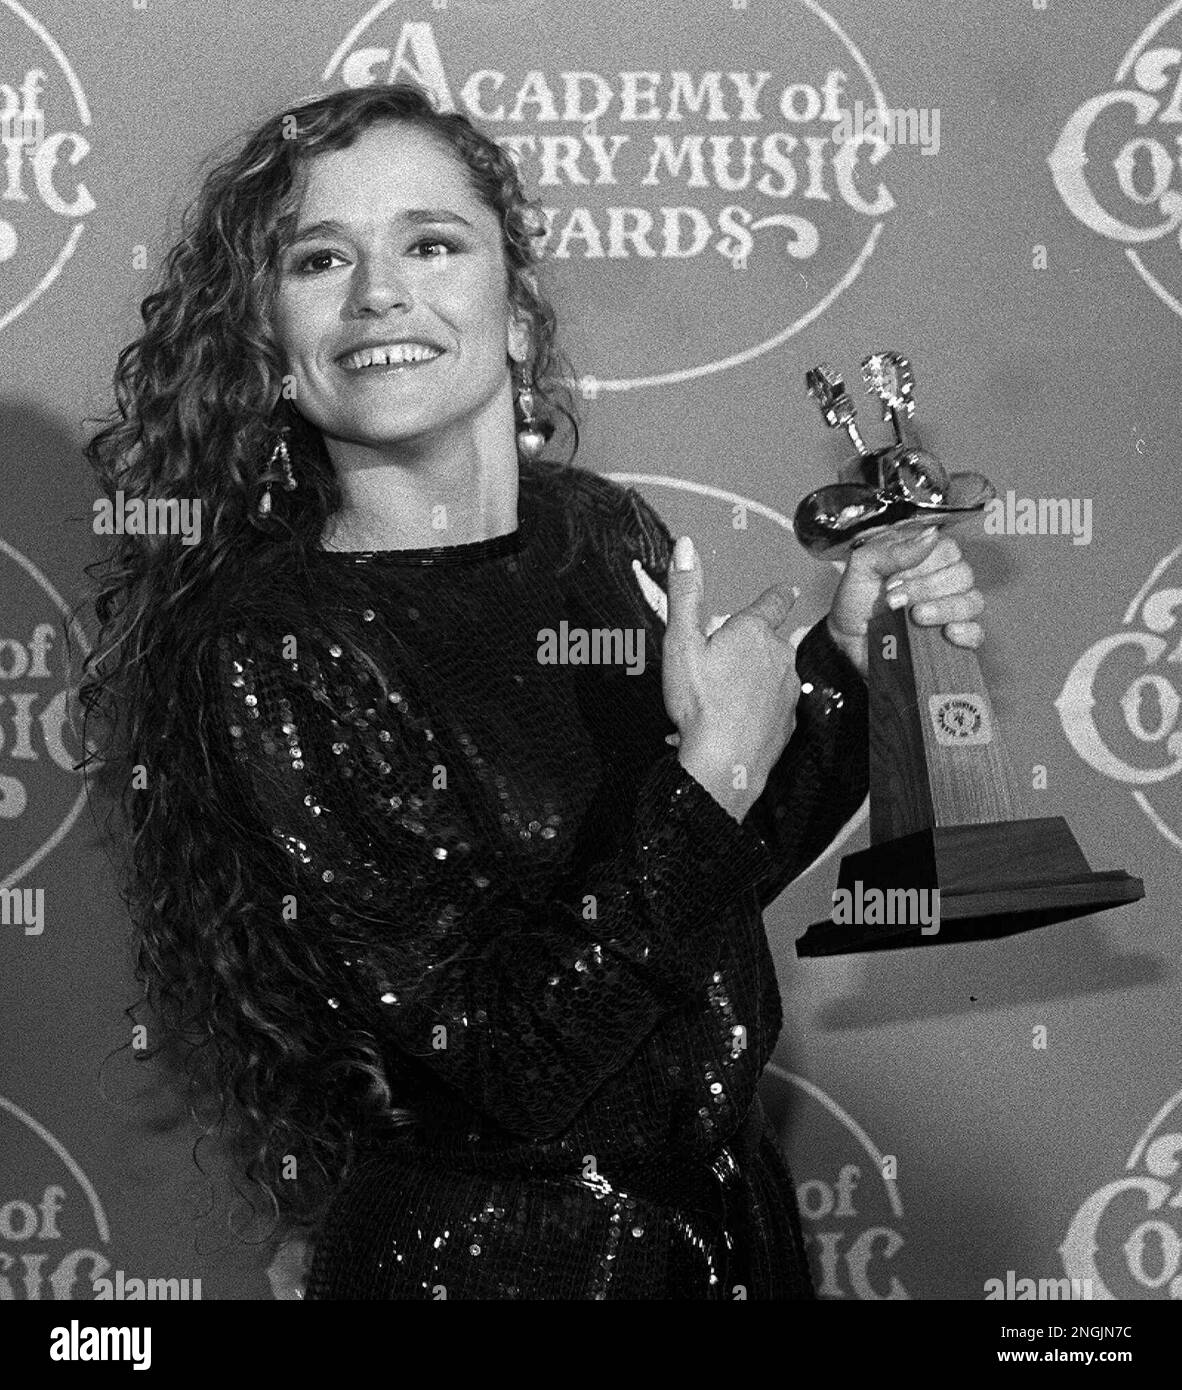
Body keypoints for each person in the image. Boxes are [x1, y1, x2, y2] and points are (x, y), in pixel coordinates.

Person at [80, 83, 986, 1300]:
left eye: (431, 243)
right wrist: (711, 766)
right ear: (269, 350)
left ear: (513, 312)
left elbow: (694, 888)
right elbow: (515, 1055)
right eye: (319, 260)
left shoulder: (597, 530)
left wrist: (848, 659)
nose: (378, 294)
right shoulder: (277, 647)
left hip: (729, 1239)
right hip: (504, 1260)